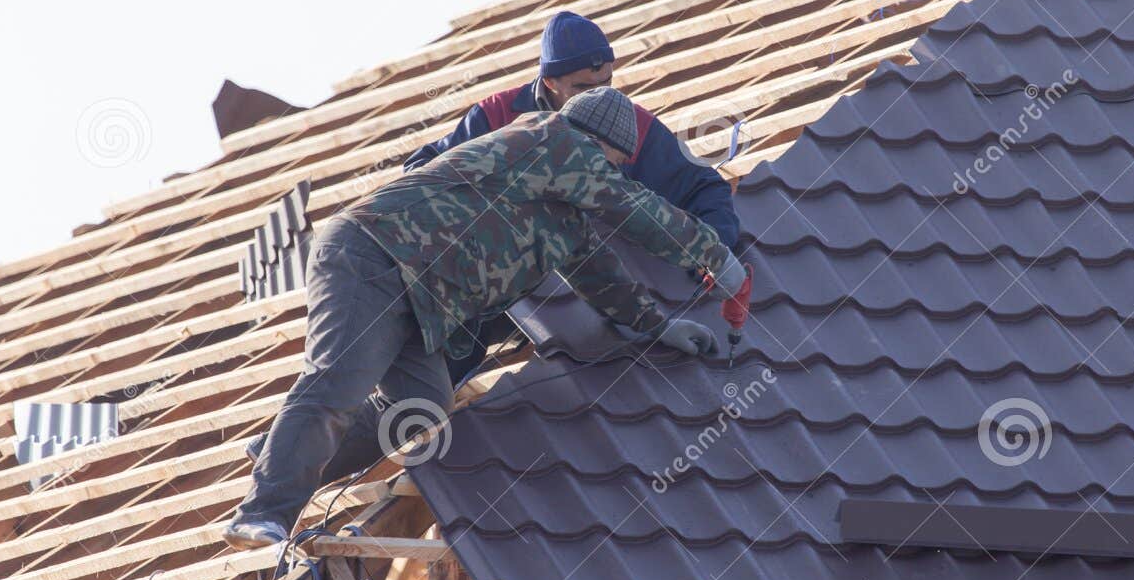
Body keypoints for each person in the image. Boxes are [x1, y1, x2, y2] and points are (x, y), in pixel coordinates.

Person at [225, 87, 746, 548]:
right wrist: (716, 257)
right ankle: (263, 511)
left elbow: (600, 275)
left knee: (421, 406)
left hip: (421, 294)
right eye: (614, 161)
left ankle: (282, 457)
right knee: (339, 380)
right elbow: (636, 209)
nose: (613, 173)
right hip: (376, 254)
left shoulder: (561, 203)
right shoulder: (557, 141)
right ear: (603, 146)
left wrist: (659, 326)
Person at [404, 10, 742, 383]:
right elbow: (423, 173)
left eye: (608, 82)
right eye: (583, 88)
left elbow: (701, 185)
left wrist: (715, 244)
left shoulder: (626, 124)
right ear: (549, 82)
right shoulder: (496, 116)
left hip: (594, 281)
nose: (602, 94)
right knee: (442, 364)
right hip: (494, 286)